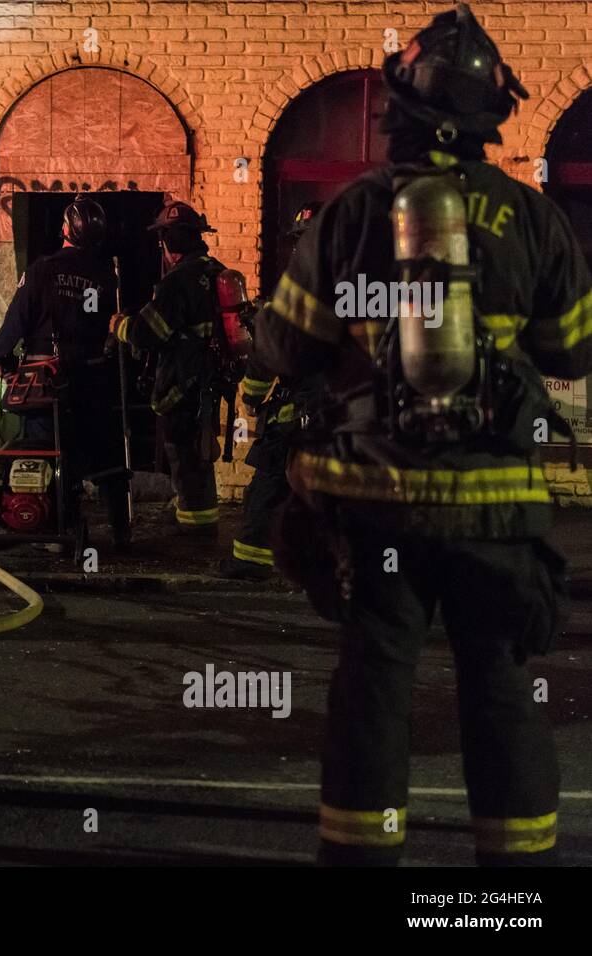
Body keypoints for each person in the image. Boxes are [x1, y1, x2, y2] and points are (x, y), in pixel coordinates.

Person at [255, 2, 592, 865]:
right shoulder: (533, 216)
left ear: (399, 106)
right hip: (497, 513)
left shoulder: (353, 211)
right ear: (489, 118)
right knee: (501, 690)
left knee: (373, 687)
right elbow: (575, 350)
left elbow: (286, 347)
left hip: (379, 511)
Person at [0, 195, 131, 547]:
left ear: (66, 229)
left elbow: (16, 321)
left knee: (48, 450)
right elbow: (112, 328)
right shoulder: (106, 276)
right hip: (94, 378)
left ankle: (54, 527)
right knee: (104, 451)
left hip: (45, 382)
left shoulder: (41, 269)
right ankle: (120, 530)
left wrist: (3, 360)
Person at [216, 202, 322, 580]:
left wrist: (252, 396)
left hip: (302, 411)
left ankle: (250, 561)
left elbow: (267, 358)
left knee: (269, 484)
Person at [110, 200, 228, 535]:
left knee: (185, 449)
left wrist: (119, 325)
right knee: (199, 448)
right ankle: (192, 509)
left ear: (169, 243)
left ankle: (195, 527)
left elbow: (149, 333)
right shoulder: (215, 270)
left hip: (183, 380)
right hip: (208, 379)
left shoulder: (179, 281)